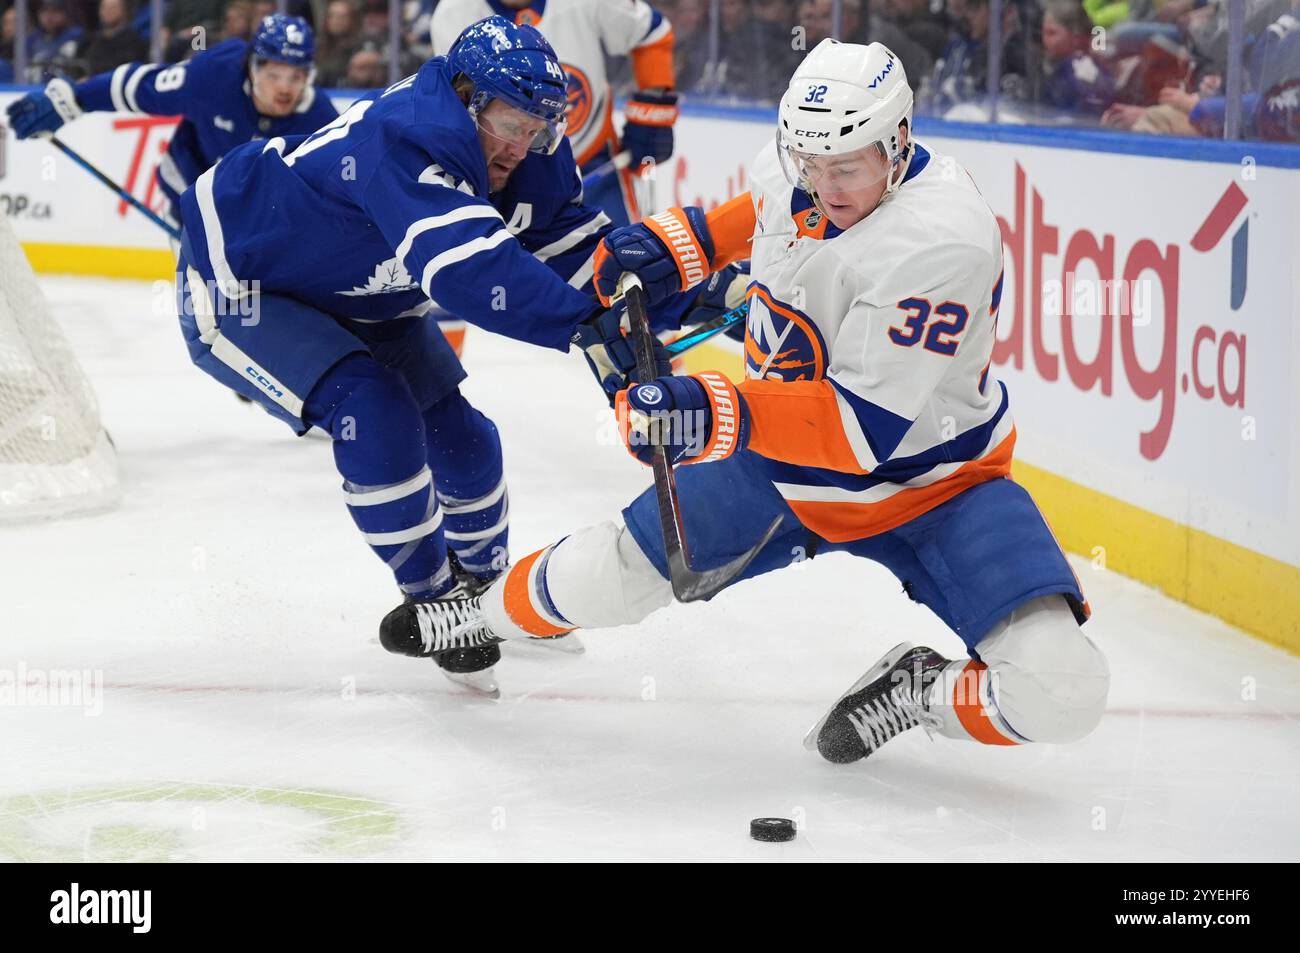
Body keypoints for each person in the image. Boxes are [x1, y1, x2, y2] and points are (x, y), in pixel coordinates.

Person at [390, 40, 1111, 764]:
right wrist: (673, 248)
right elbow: (741, 220)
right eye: (812, 164)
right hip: (781, 465)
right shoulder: (804, 165)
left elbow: (861, 433)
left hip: (938, 486)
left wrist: (705, 409)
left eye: (847, 168)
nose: (825, 187)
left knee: (1062, 692)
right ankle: (478, 615)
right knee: (608, 573)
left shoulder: (941, 241)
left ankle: (916, 690)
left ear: (898, 143)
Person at [167, 16, 670, 696]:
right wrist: (587, 329)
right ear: (464, 97)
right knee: (375, 410)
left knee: (463, 435)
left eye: (538, 128)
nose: (525, 145)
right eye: (512, 123)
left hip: (358, 285)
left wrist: (662, 294)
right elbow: (470, 273)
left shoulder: (530, 139)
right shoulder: (408, 136)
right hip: (241, 281)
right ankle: (436, 602)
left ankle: (486, 595)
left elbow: (568, 244)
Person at [6, 14, 339, 229]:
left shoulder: (320, 119)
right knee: (207, 310)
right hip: (190, 189)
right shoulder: (213, 76)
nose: (285, 88)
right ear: (253, 66)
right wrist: (71, 101)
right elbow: (138, 87)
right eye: (275, 73)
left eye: (296, 76)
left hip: (258, 218)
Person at [431, 0, 678, 228]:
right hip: (503, 175)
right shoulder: (454, 14)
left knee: (625, 262)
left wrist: (652, 113)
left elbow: (649, 32)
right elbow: (457, 102)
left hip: (595, 161)